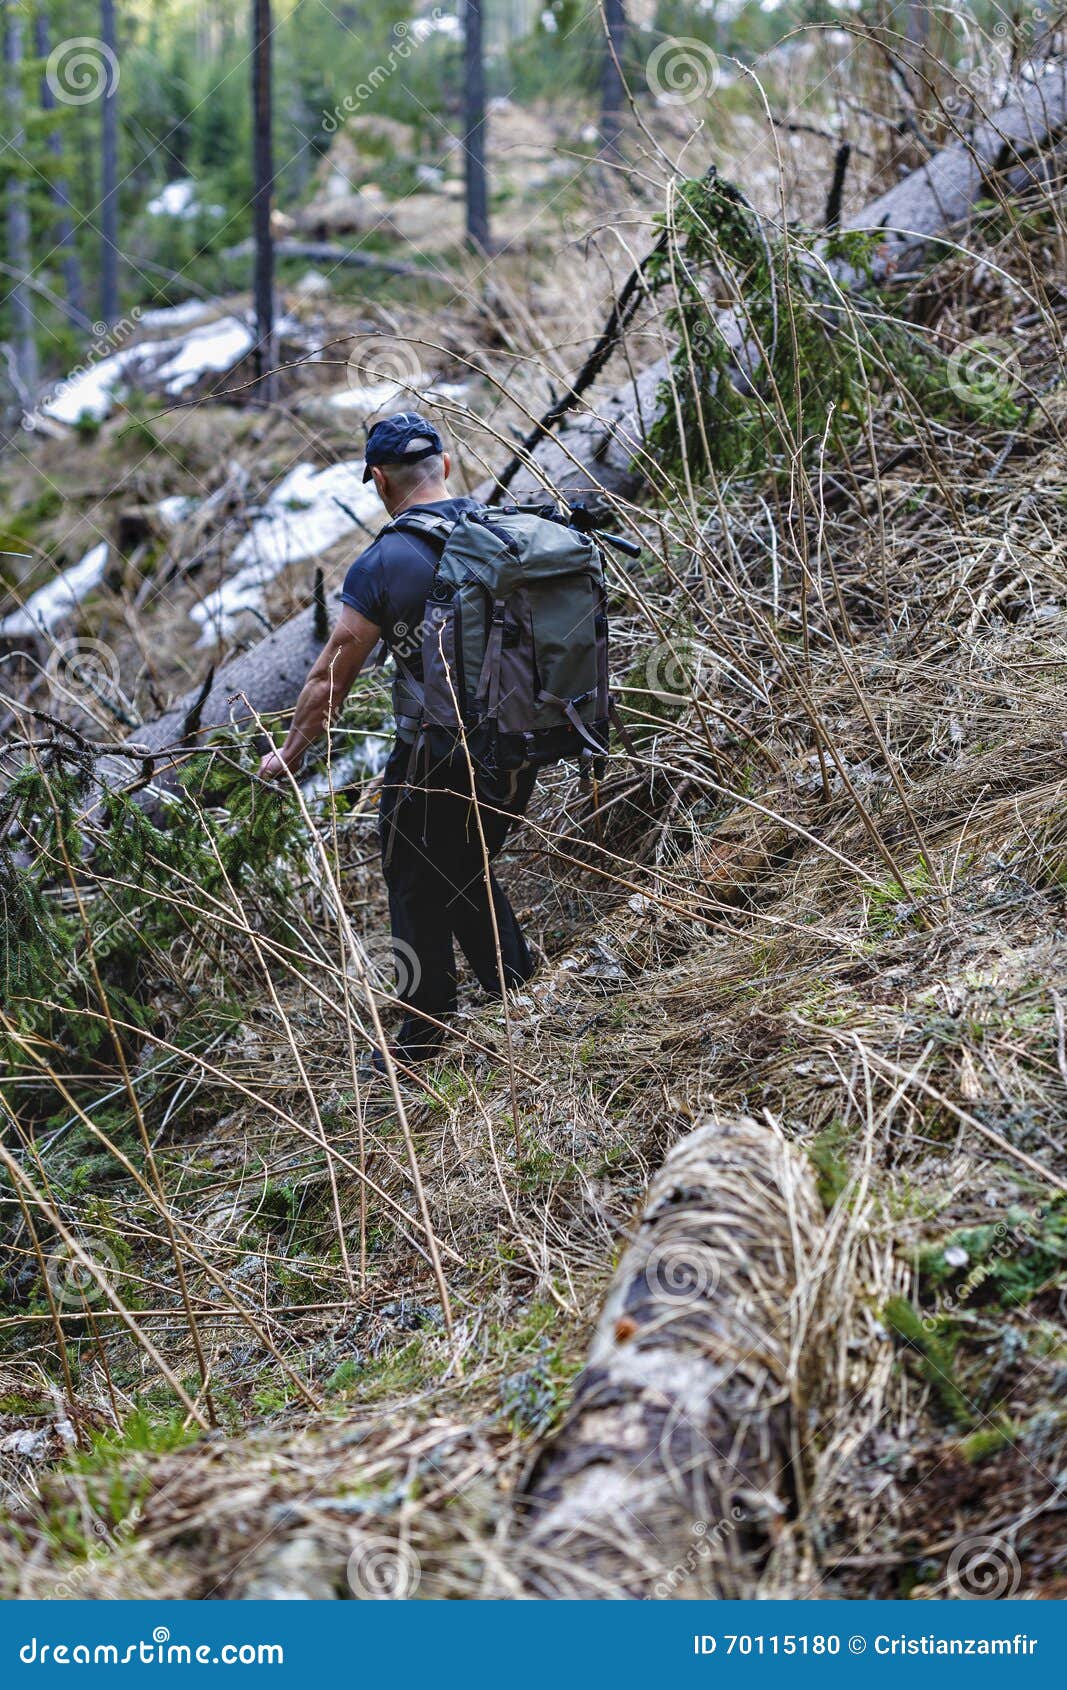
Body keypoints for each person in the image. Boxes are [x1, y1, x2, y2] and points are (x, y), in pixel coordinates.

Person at [258, 412, 537, 1069]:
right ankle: (518, 990)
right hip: (525, 741)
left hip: (437, 752)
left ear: (379, 482)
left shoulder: (383, 562)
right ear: (444, 467)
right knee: (462, 863)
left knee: (412, 875)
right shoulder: (503, 532)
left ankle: (422, 1034)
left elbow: (330, 677)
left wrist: (290, 751)